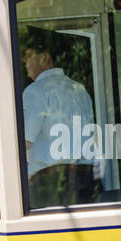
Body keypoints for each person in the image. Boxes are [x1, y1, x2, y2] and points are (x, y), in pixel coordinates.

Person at [21, 26, 97, 206]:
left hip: (49, 183)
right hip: (83, 179)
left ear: (45, 58)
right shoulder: (80, 90)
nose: (24, 61)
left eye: (28, 55)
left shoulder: (35, 91)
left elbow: (24, 141)